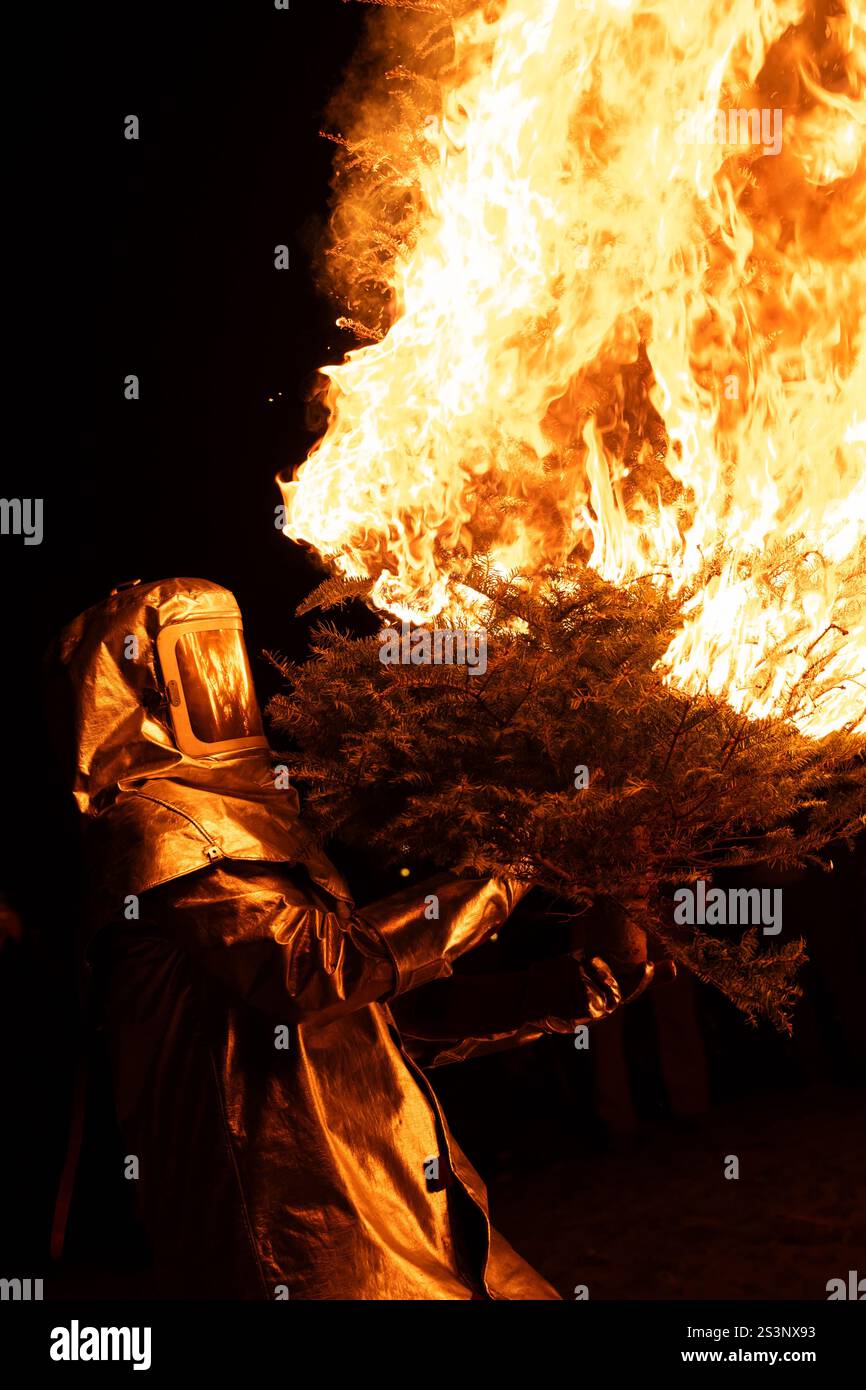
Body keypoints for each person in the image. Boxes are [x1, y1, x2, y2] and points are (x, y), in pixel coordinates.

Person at [46, 576, 660, 1300]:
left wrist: (557, 992)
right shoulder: (152, 832)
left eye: (225, 653)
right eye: (195, 656)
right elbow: (316, 971)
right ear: (144, 689)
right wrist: (517, 862)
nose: (221, 679)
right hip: (296, 1233)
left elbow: (372, 1022)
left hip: (392, 1192)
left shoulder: (256, 816)